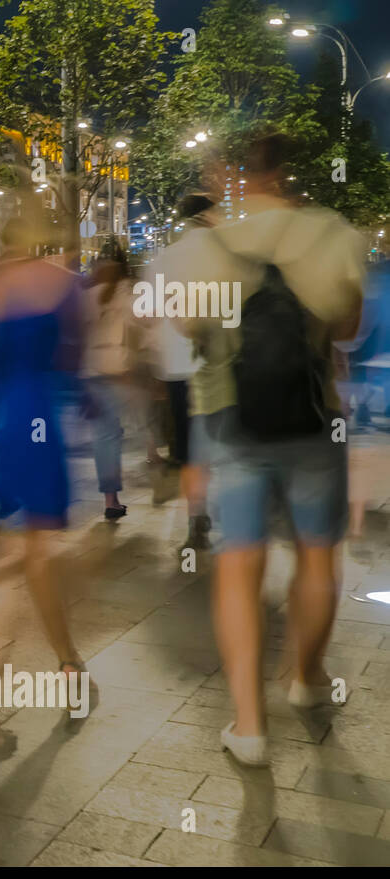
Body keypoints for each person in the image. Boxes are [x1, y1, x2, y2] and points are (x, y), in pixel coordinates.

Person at [169, 132, 365, 767]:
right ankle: (306, 678)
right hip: (315, 420)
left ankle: (249, 727)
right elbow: (348, 326)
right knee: (317, 557)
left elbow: (187, 328)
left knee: (238, 566)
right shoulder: (329, 232)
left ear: (230, 173)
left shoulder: (205, 242)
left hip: (232, 422)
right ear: (287, 172)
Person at [0, 215, 93, 754]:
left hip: (5, 422)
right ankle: (59, 668)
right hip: (40, 422)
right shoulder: (62, 281)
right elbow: (73, 359)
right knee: (34, 556)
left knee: (11, 560)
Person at [143, 193, 215, 551]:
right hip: (220, 367)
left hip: (177, 368)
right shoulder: (225, 253)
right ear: (208, 214)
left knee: (188, 449)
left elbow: (149, 317)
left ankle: (195, 517)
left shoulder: (163, 259)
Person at [81, 248, 141, 521]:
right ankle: (113, 498)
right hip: (119, 373)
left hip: (92, 374)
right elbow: (139, 329)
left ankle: (110, 498)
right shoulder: (125, 294)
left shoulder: (88, 297)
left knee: (104, 437)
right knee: (114, 436)